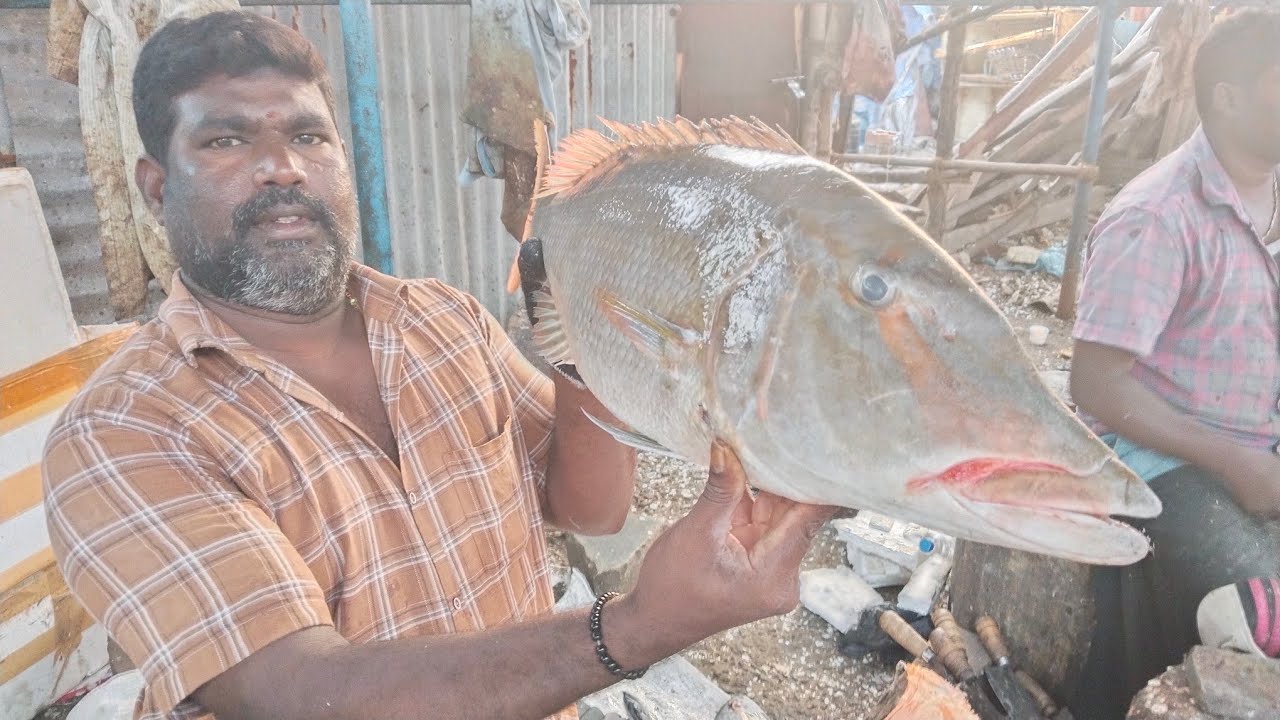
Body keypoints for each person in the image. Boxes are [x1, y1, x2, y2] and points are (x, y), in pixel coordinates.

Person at [39, 11, 836, 720]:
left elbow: (586, 507)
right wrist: (635, 626)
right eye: (226, 139)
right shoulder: (122, 430)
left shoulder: (443, 320)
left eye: (308, 136)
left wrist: (581, 346)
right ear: (154, 186)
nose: (282, 166)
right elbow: (296, 691)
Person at [1068, 9, 1280, 718]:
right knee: (1256, 623)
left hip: (1255, 444)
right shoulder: (1157, 215)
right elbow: (1096, 383)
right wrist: (1232, 460)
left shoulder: (1270, 195)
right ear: (1228, 97)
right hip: (1159, 460)